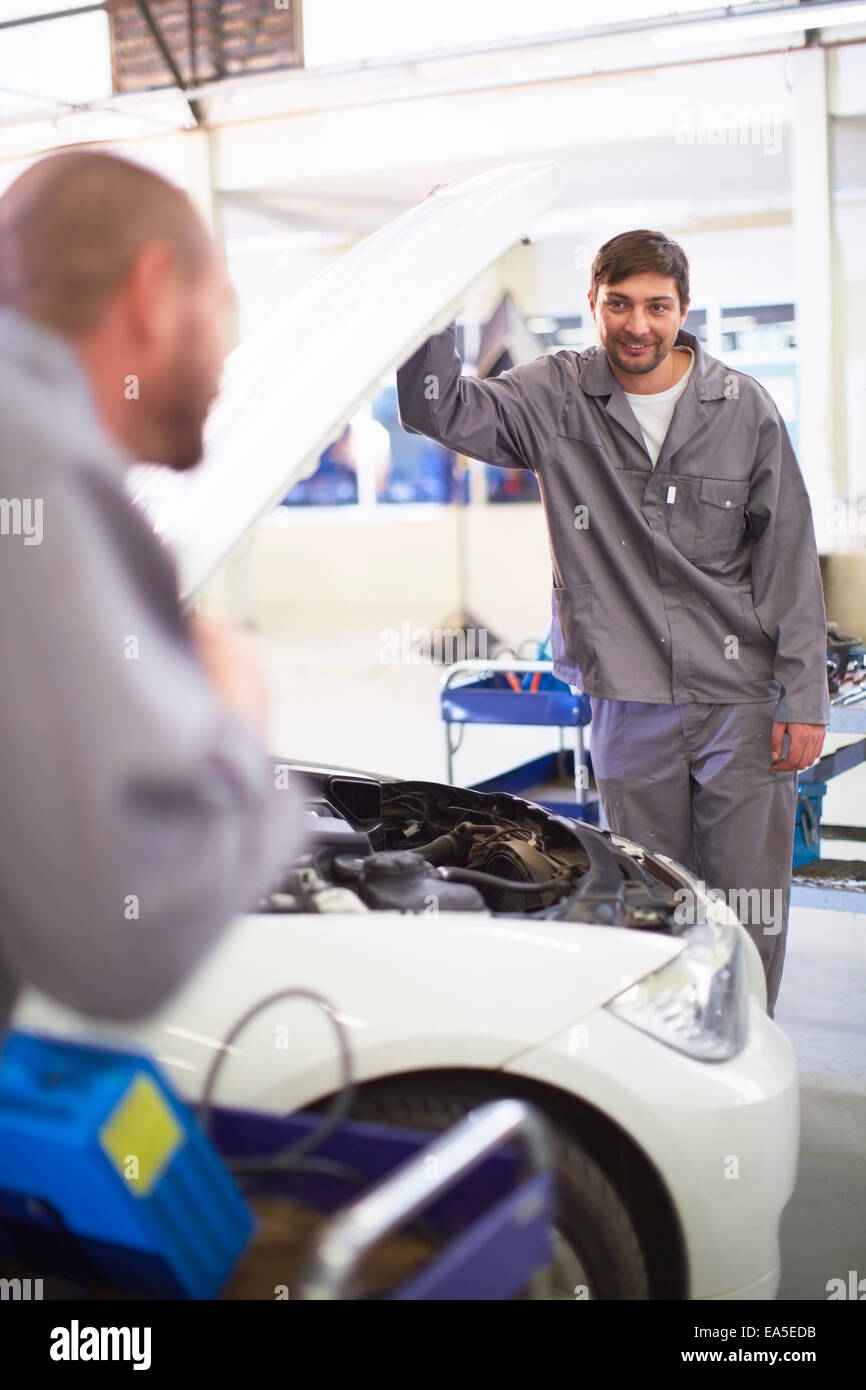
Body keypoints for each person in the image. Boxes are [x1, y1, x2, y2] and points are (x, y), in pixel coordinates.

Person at [396, 228, 829, 1015]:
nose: (638, 325)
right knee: (651, 896)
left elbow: (790, 555)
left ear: (683, 309)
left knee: (748, 901)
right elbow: (436, 409)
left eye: (656, 307)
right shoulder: (553, 395)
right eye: (619, 305)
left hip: (742, 698)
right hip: (629, 701)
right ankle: (671, 1048)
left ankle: (747, 1046)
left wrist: (805, 696)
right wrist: (436, 296)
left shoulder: (744, 409)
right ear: (593, 304)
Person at [0, 150, 304, 1035]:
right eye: (220, 310)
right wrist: (239, 714)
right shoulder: (37, 468)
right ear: (154, 288)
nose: (222, 356)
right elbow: (120, 939)